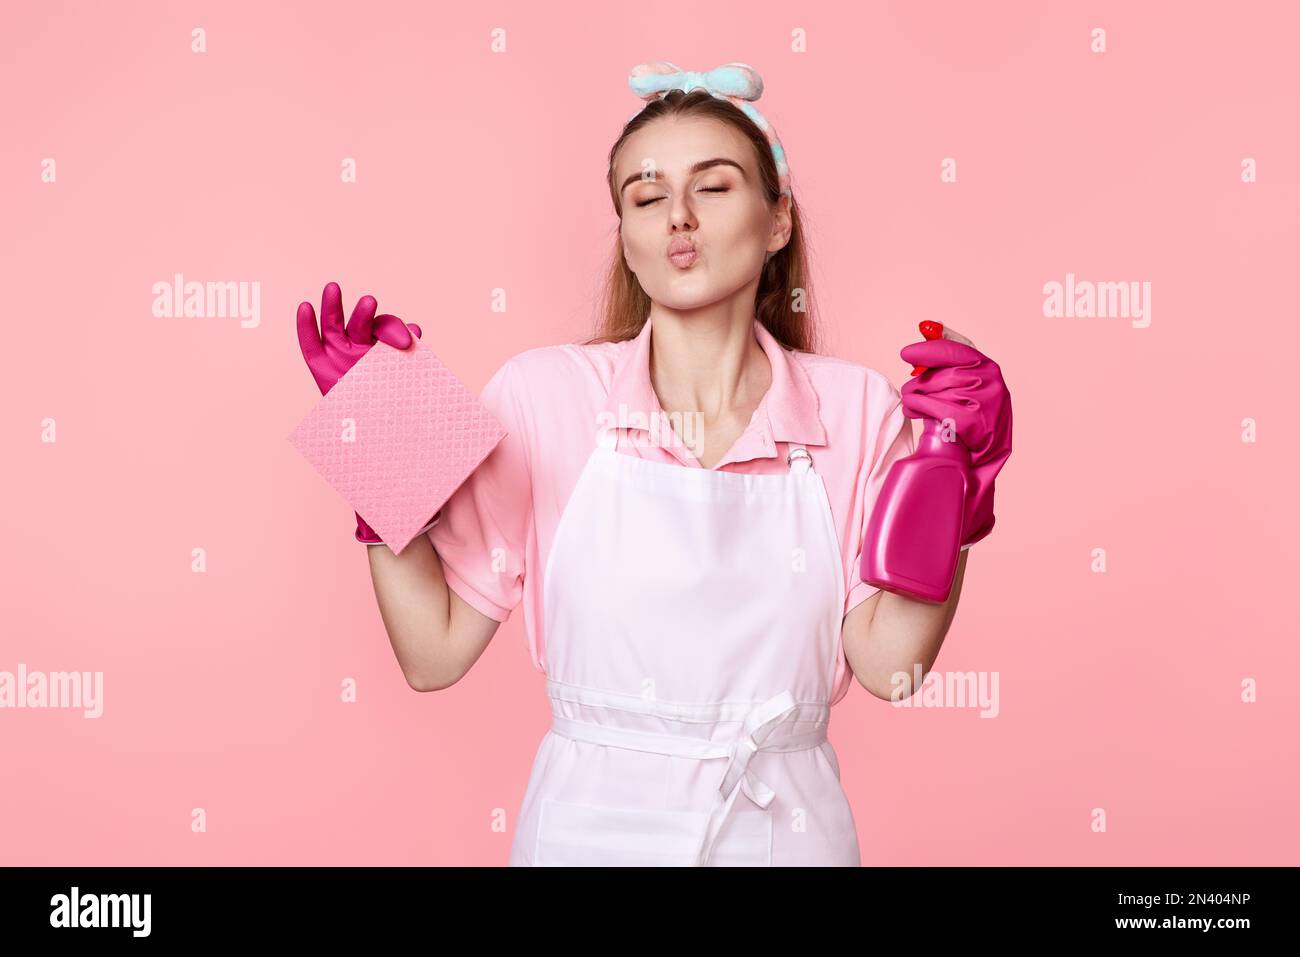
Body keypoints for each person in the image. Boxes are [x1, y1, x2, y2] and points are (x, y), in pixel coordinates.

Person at [296, 62, 1013, 866]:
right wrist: (382, 464)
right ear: (627, 241)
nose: (678, 216)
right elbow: (432, 654)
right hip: (586, 835)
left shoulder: (858, 411)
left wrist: (960, 482)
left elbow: (893, 667)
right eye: (645, 197)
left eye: (713, 187)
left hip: (785, 837)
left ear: (778, 222)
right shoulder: (544, 397)